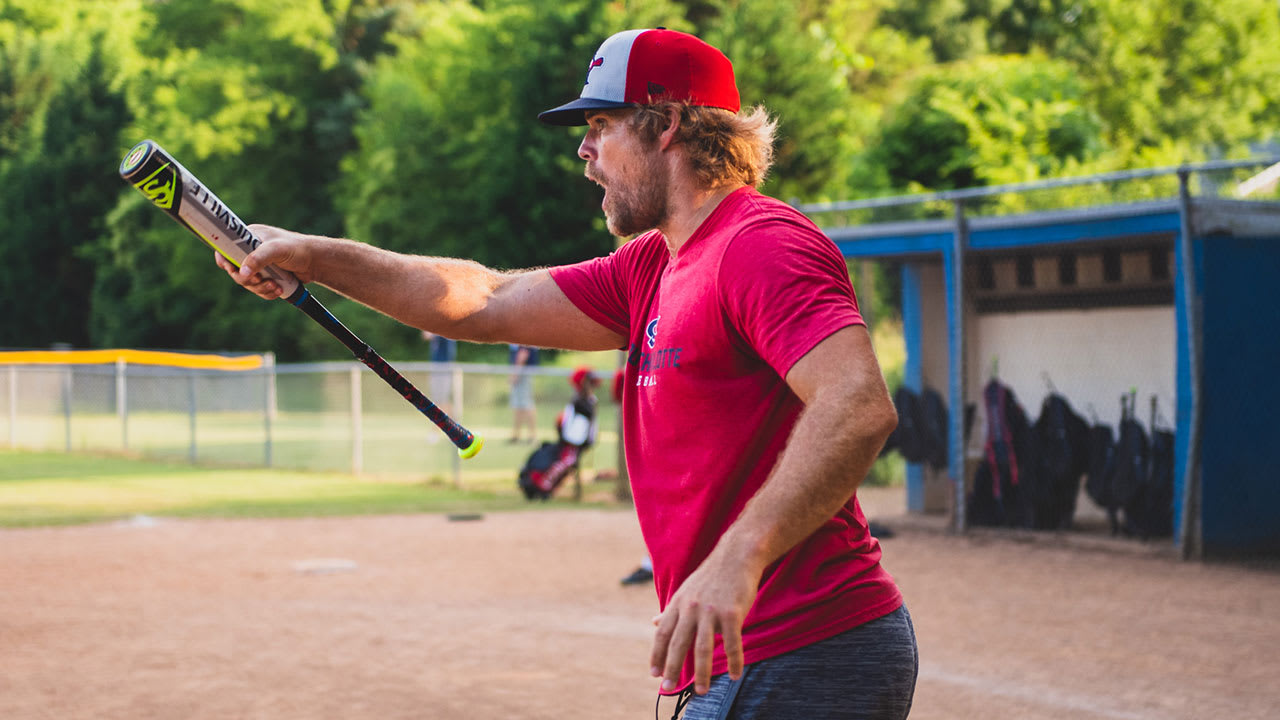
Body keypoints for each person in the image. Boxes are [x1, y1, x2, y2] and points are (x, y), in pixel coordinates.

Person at [217, 27, 915, 719]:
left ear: (667, 124)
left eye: (602, 125)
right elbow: (483, 302)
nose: (583, 153)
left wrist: (741, 556)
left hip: (809, 647)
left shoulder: (759, 245)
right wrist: (317, 258)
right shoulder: (654, 266)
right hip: (749, 655)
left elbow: (857, 403)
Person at [508, 343, 539, 443]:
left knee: (527, 405)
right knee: (519, 405)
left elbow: (523, 353)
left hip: (522, 373)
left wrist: (515, 373)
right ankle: (516, 435)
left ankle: (532, 435)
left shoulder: (522, 335)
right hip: (522, 372)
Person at [421, 330, 457, 416]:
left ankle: (448, 422)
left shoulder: (445, 330)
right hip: (438, 368)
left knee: (442, 398)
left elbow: (426, 335)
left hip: (443, 368)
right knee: (439, 398)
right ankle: (451, 421)